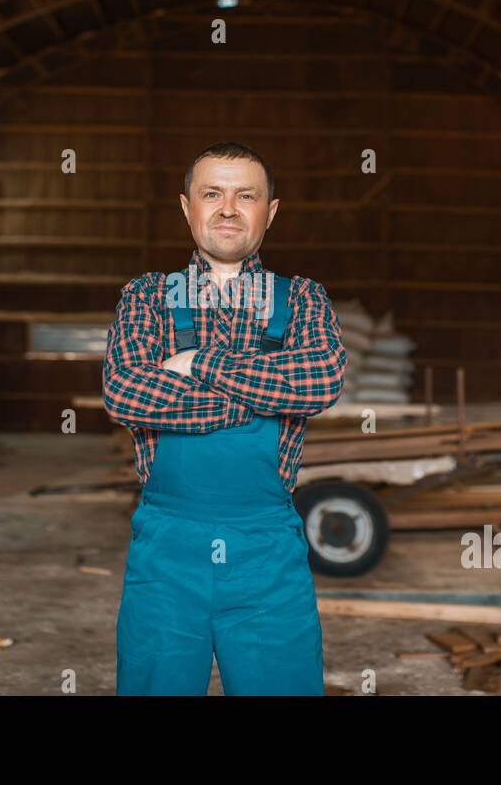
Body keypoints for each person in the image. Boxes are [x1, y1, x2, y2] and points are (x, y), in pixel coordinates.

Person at [102, 141, 347, 695]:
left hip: (267, 552)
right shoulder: (145, 298)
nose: (228, 208)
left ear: (271, 211)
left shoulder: (304, 300)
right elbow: (125, 393)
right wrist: (262, 393)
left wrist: (198, 363)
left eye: (246, 196)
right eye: (212, 194)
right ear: (187, 206)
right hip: (167, 550)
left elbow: (320, 381)